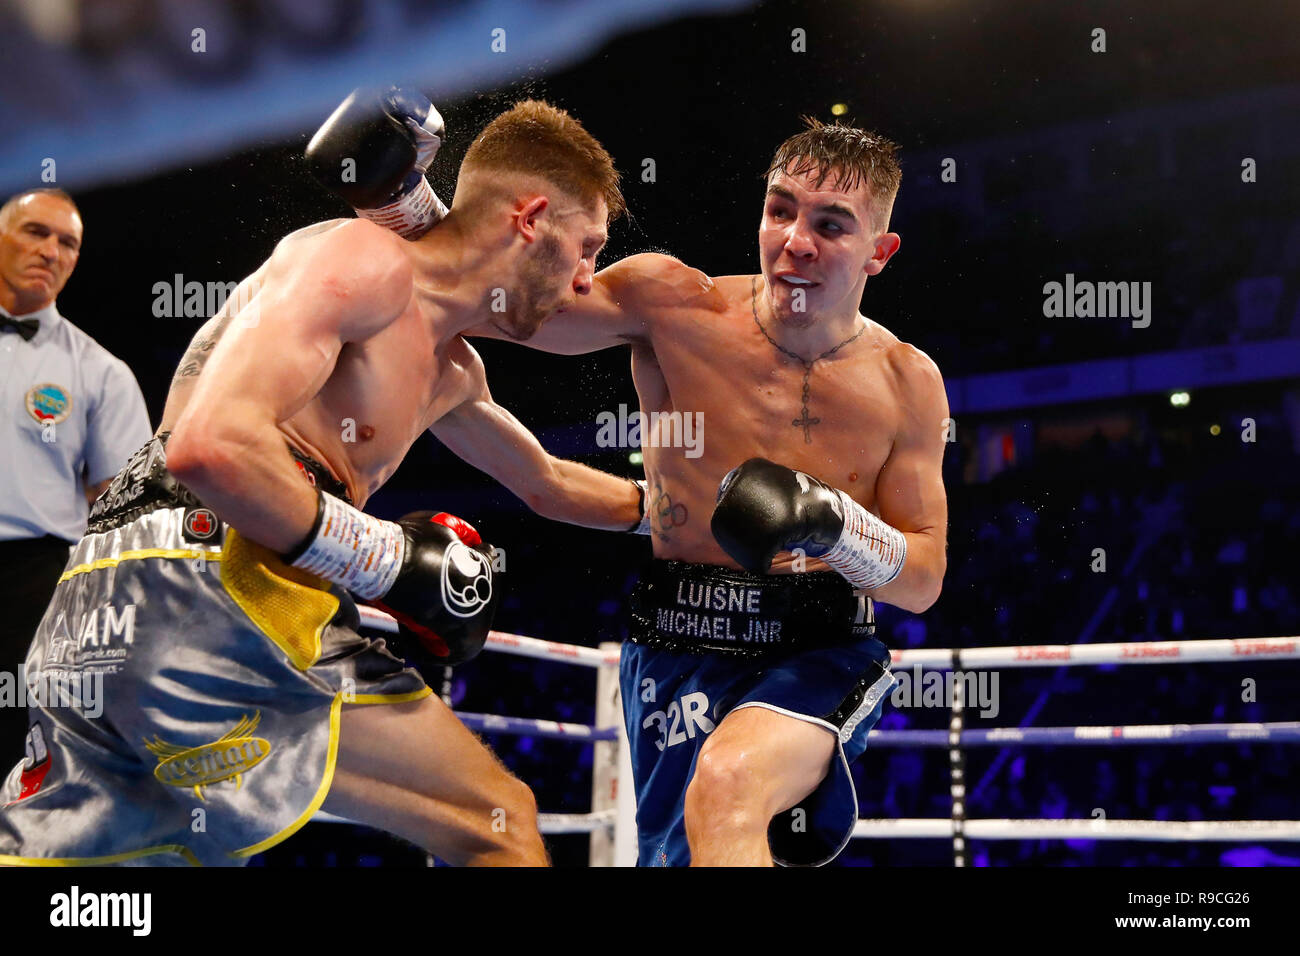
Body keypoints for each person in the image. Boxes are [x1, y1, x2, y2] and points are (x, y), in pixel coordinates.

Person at [0, 93, 645, 867]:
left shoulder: (452, 370)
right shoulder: (364, 260)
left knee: (103, 887)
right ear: (530, 217)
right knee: (496, 823)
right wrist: (388, 562)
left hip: (101, 602)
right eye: (588, 247)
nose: (587, 279)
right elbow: (211, 446)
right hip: (209, 575)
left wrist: (693, 517)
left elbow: (548, 484)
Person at [470, 117, 951, 866]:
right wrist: (408, 212)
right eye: (781, 209)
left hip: (816, 648)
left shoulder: (906, 383)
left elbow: (921, 581)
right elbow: (503, 310)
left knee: (727, 785)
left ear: (878, 254)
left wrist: (836, 526)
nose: (795, 240)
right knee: (682, 851)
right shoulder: (673, 306)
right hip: (673, 641)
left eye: (831, 224)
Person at [0, 188, 151, 766]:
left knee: (18, 749)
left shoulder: (101, 372)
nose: (51, 251)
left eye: (68, 243)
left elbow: (123, 512)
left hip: (32, 585)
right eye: (36, 232)